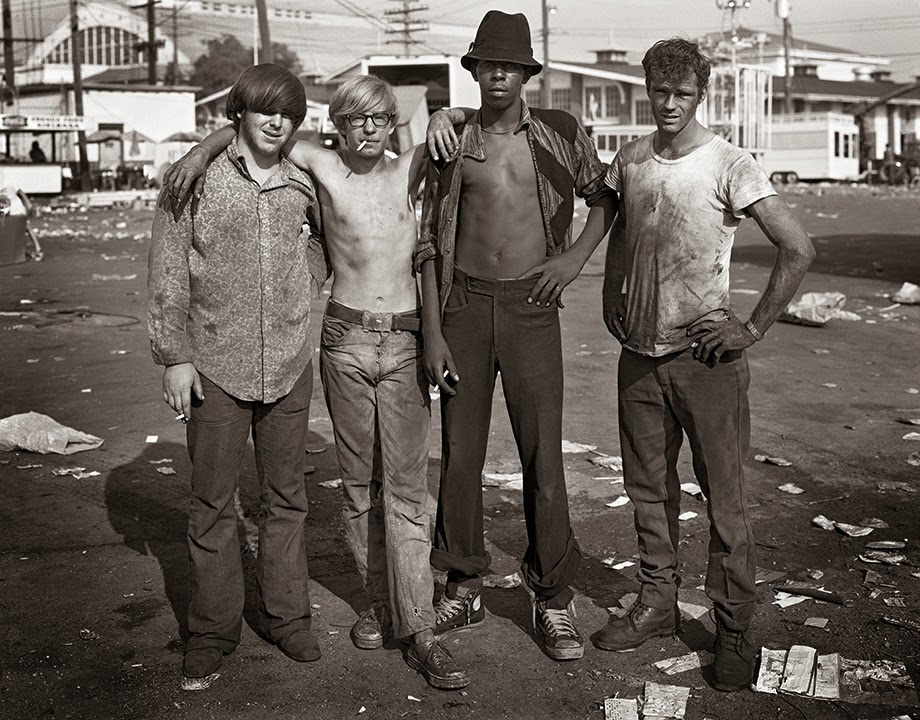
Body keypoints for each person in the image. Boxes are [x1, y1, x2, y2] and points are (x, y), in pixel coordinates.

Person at [163, 76, 470, 690]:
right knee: (355, 487)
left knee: (407, 489)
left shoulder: (411, 168)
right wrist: (201, 149)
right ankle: (375, 606)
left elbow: (466, 122)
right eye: (355, 120)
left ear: (393, 124)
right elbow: (260, 126)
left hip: (404, 341)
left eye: (380, 120)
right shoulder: (320, 166)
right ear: (337, 125)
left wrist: (447, 113)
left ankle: (418, 626)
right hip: (342, 341)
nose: (367, 130)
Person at [591, 38, 815, 692]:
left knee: (725, 503)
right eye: (658, 92)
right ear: (647, 91)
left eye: (681, 94)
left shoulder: (729, 163)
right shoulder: (632, 157)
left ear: (700, 95)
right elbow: (621, 224)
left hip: (706, 361)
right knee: (647, 493)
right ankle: (657, 603)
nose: (668, 104)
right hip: (640, 359)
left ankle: (736, 627)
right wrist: (612, 290)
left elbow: (797, 248)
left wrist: (750, 327)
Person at [417, 10, 618, 662]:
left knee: (544, 458)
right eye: (487, 63)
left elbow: (604, 197)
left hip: (532, 306)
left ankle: (552, 598)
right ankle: (463, 584)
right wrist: (433, 335)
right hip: (463, 307)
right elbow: (426, 240)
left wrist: (573, 260)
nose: (499, 73)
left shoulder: (559, 133)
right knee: (461, 454)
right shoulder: (452, 143)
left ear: (527, 73)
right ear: (474, 70)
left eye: (512, 64)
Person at [148, 64, 328, 681]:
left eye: (288, 113)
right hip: (214, 367)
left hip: (286, 365)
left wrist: (304, 287)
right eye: (263, 110)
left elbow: (328, 251)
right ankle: (211, 630)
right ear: (239, 115)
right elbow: (169, 269)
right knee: (212, 503)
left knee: (287, 501)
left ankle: (289, 619)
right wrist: (175, 355)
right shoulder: (196, 182)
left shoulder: (305, 184)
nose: (276, 121)